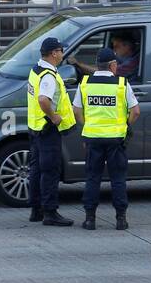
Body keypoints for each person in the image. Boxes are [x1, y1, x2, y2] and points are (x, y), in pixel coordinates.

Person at [73, 47, 140, 231]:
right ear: (112, 65)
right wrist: (125, 126)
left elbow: (76, 110)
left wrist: (87, 126)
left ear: (97, 65)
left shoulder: (85, 83)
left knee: (92, 178)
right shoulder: (121, 84)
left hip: (93, 138)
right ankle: (121, 219)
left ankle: (89, 219)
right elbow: (136, 111)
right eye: (116, 63)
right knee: (117, 178)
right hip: (116, 139)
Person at [26, 36, 76, 226]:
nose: (62, 54)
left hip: (36, 127)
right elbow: (43, 100)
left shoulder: (36, 70)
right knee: (50, 170)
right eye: (61, 51)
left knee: (37, 170)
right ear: (54, 53)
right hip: (47, 129)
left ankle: (36, 210)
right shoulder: (48, 76)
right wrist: (54, 116)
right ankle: (50, 212)